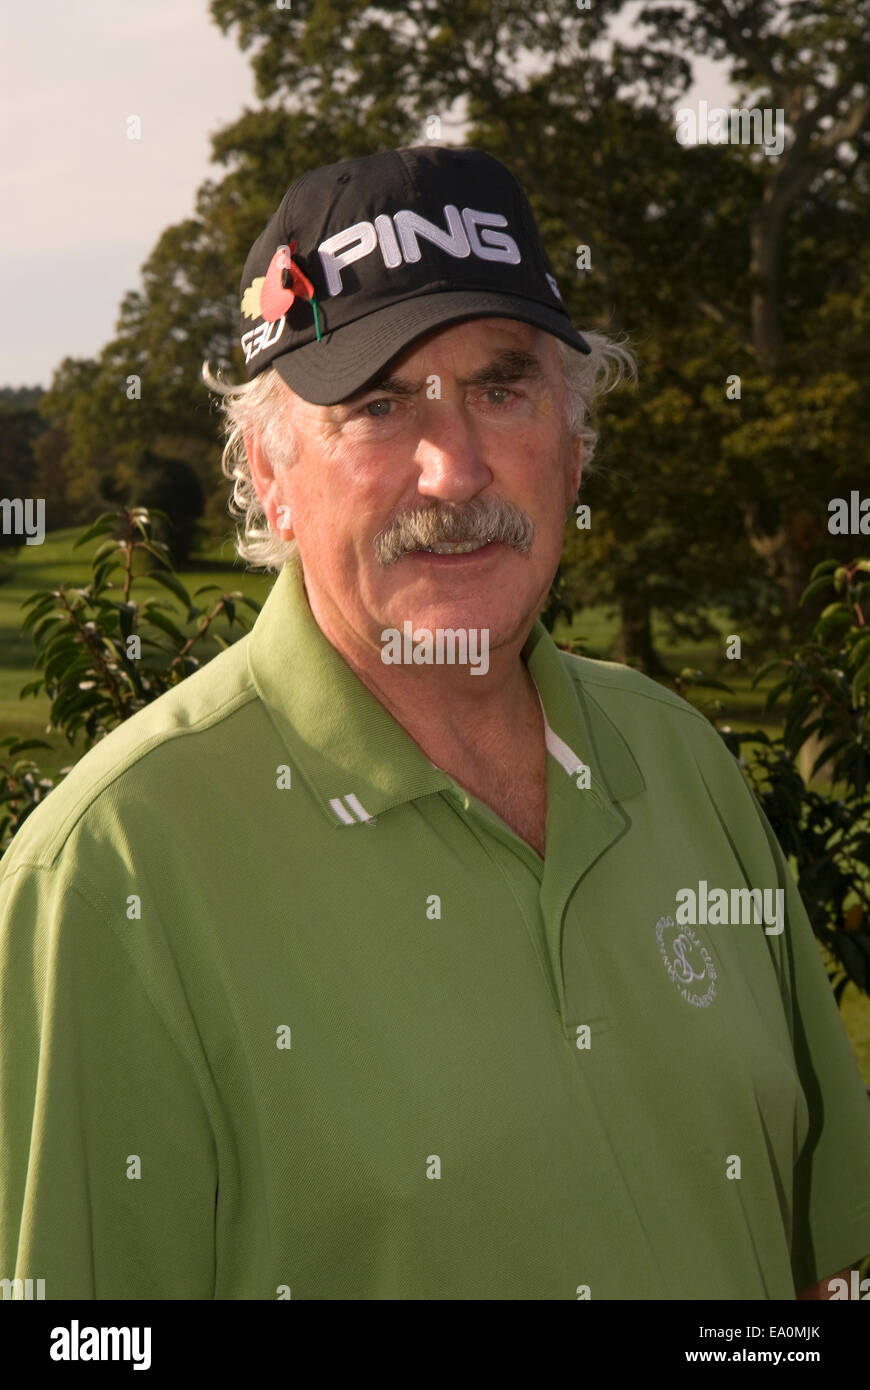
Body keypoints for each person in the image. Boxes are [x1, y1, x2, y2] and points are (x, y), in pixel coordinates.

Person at [1, 145, 868, 1301]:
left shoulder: (680, 759)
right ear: (270, 472)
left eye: (503, 388)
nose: (455, 468)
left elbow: (824, 1264)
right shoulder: (104, 872)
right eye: (374, 405)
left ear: (571, 445)